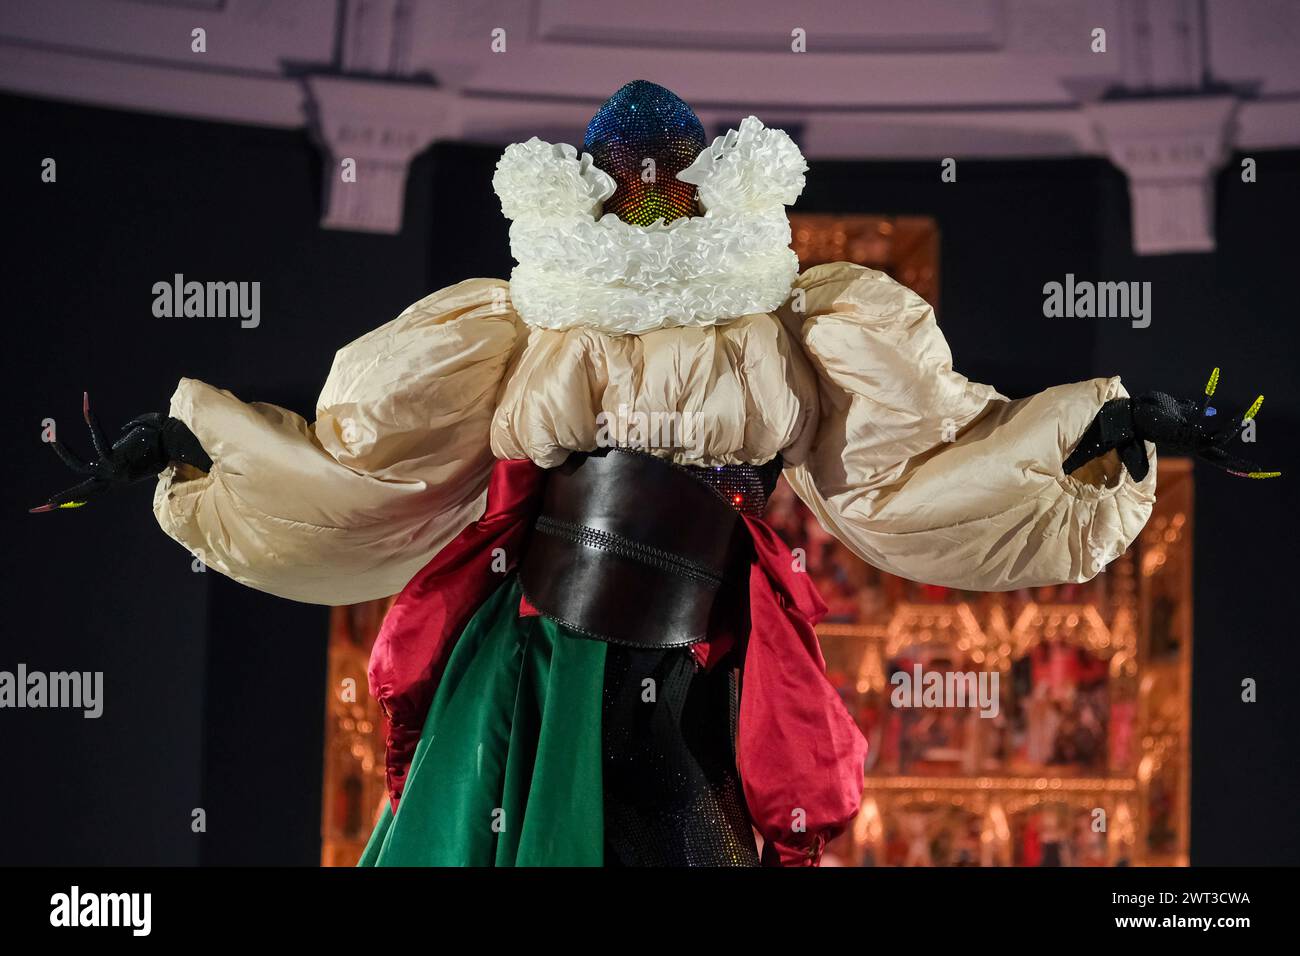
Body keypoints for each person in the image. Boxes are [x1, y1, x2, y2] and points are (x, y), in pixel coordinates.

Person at [32, 80, 1277, 867]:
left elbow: (917, 465)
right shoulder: (517, 315)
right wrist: (196, 452)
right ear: (591, 180)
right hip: (543, 642)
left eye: (665, 170)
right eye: (625, 171)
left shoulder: (804, 318)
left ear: (699, 178)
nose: (646, 193)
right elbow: (369, 453)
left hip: (697, 647)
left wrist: (1107, 434)